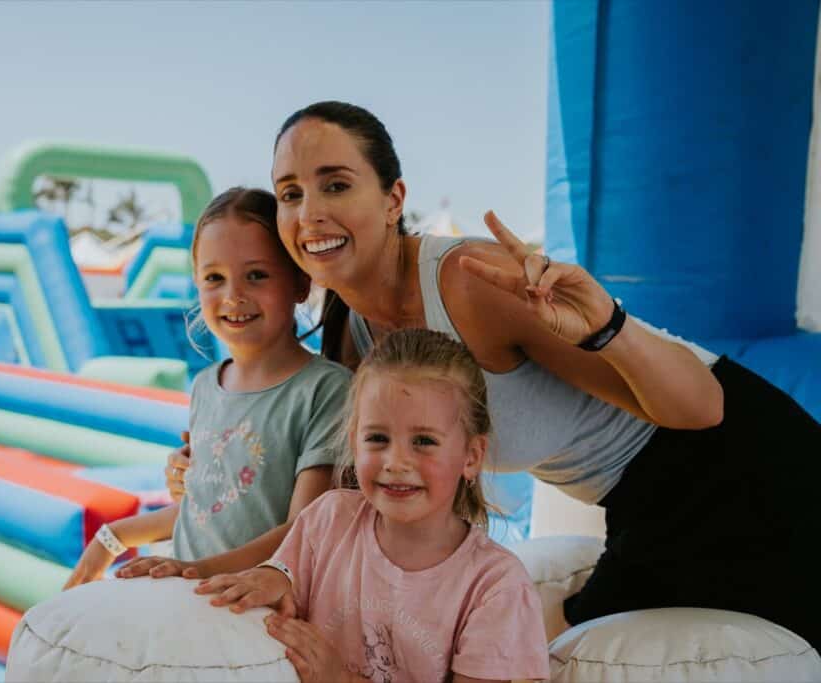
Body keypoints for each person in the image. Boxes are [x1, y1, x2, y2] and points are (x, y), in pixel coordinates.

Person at [168, 101, 821, 647]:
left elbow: (705, 409)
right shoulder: (353, 342)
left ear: (394, 199)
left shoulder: (470, 283)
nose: (309, 212)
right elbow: (330, 501)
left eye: (335, 185)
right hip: (639, 506)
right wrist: (205, 478)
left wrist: (607, 324)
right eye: (290, 193)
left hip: (749, 467)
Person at [198, 330, 549, 683]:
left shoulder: (496, 587)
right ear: (355, 443)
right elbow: (286, 579)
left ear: (471, 456)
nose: (395, 462)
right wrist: (271, 580)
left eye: (424, 441)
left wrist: (341, 679)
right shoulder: (330, 518)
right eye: (378, 438)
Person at [62, 187, 350, 590]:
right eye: (215, 278)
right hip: (191, 593)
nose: (234, 296)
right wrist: (111, 538)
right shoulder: (206, 387)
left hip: (251, 605)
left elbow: (304, 531)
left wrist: (192, 571)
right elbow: (208, 514)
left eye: (256, 275)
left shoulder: (325, 391)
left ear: (300, 282)